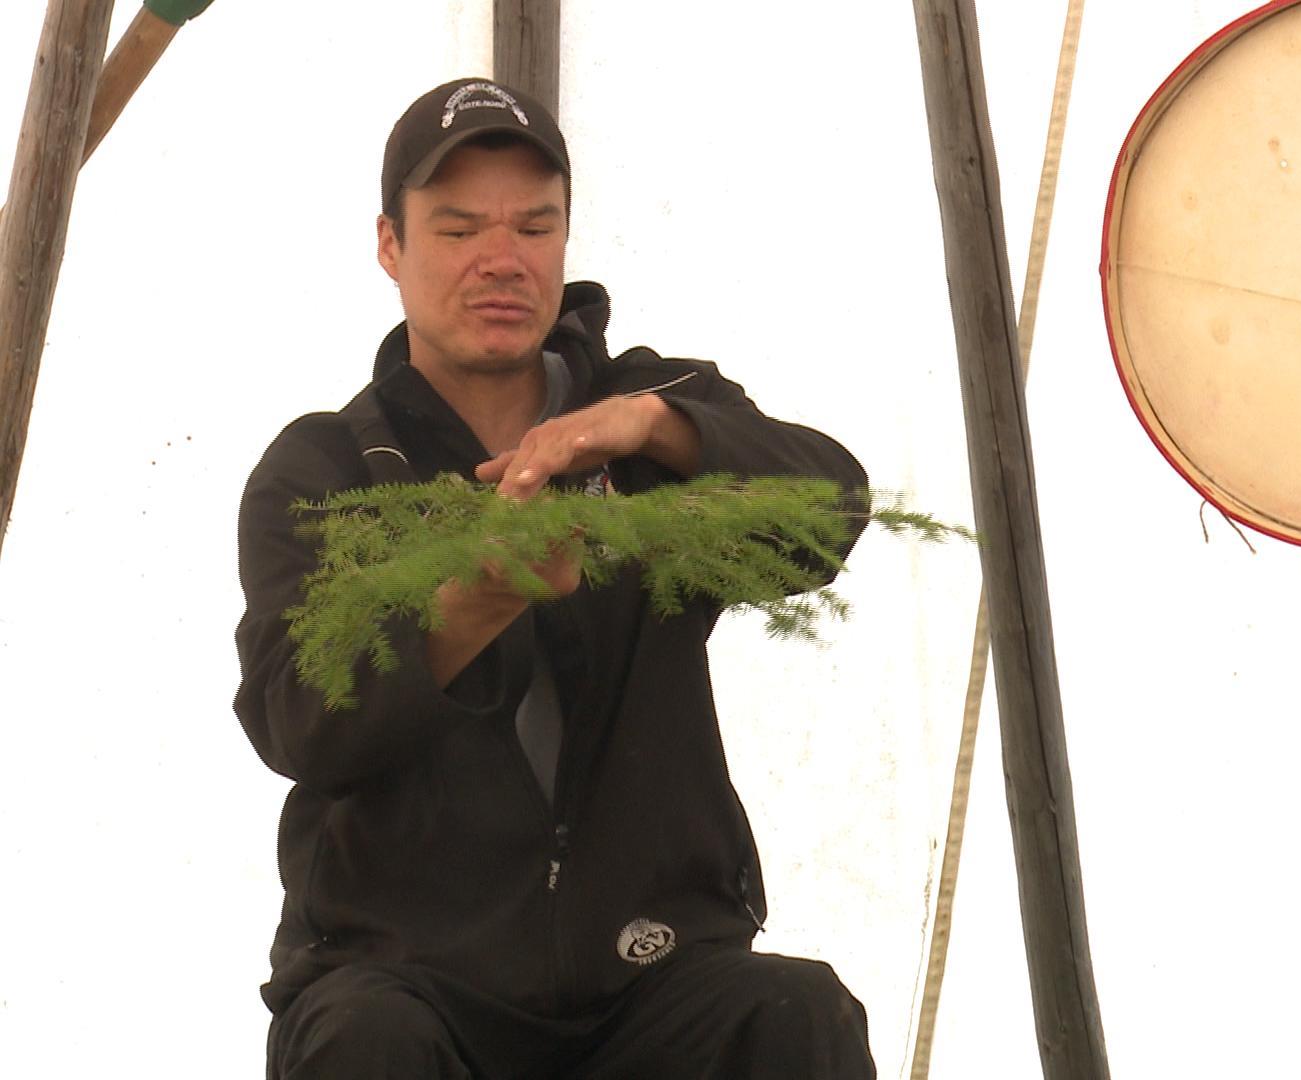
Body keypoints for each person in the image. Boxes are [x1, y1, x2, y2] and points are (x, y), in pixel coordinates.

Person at [233, 77, 877, 1079]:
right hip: (414, 983)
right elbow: (298, 720)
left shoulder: (653, 412)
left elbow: (827, 513)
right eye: (457, 230)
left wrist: (660, 428)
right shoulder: (326, 470)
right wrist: (479, 597)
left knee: (793, 1012)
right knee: (365, 1038)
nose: (501, 259)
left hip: (648, 973)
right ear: (389, 248)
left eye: (533, 226)